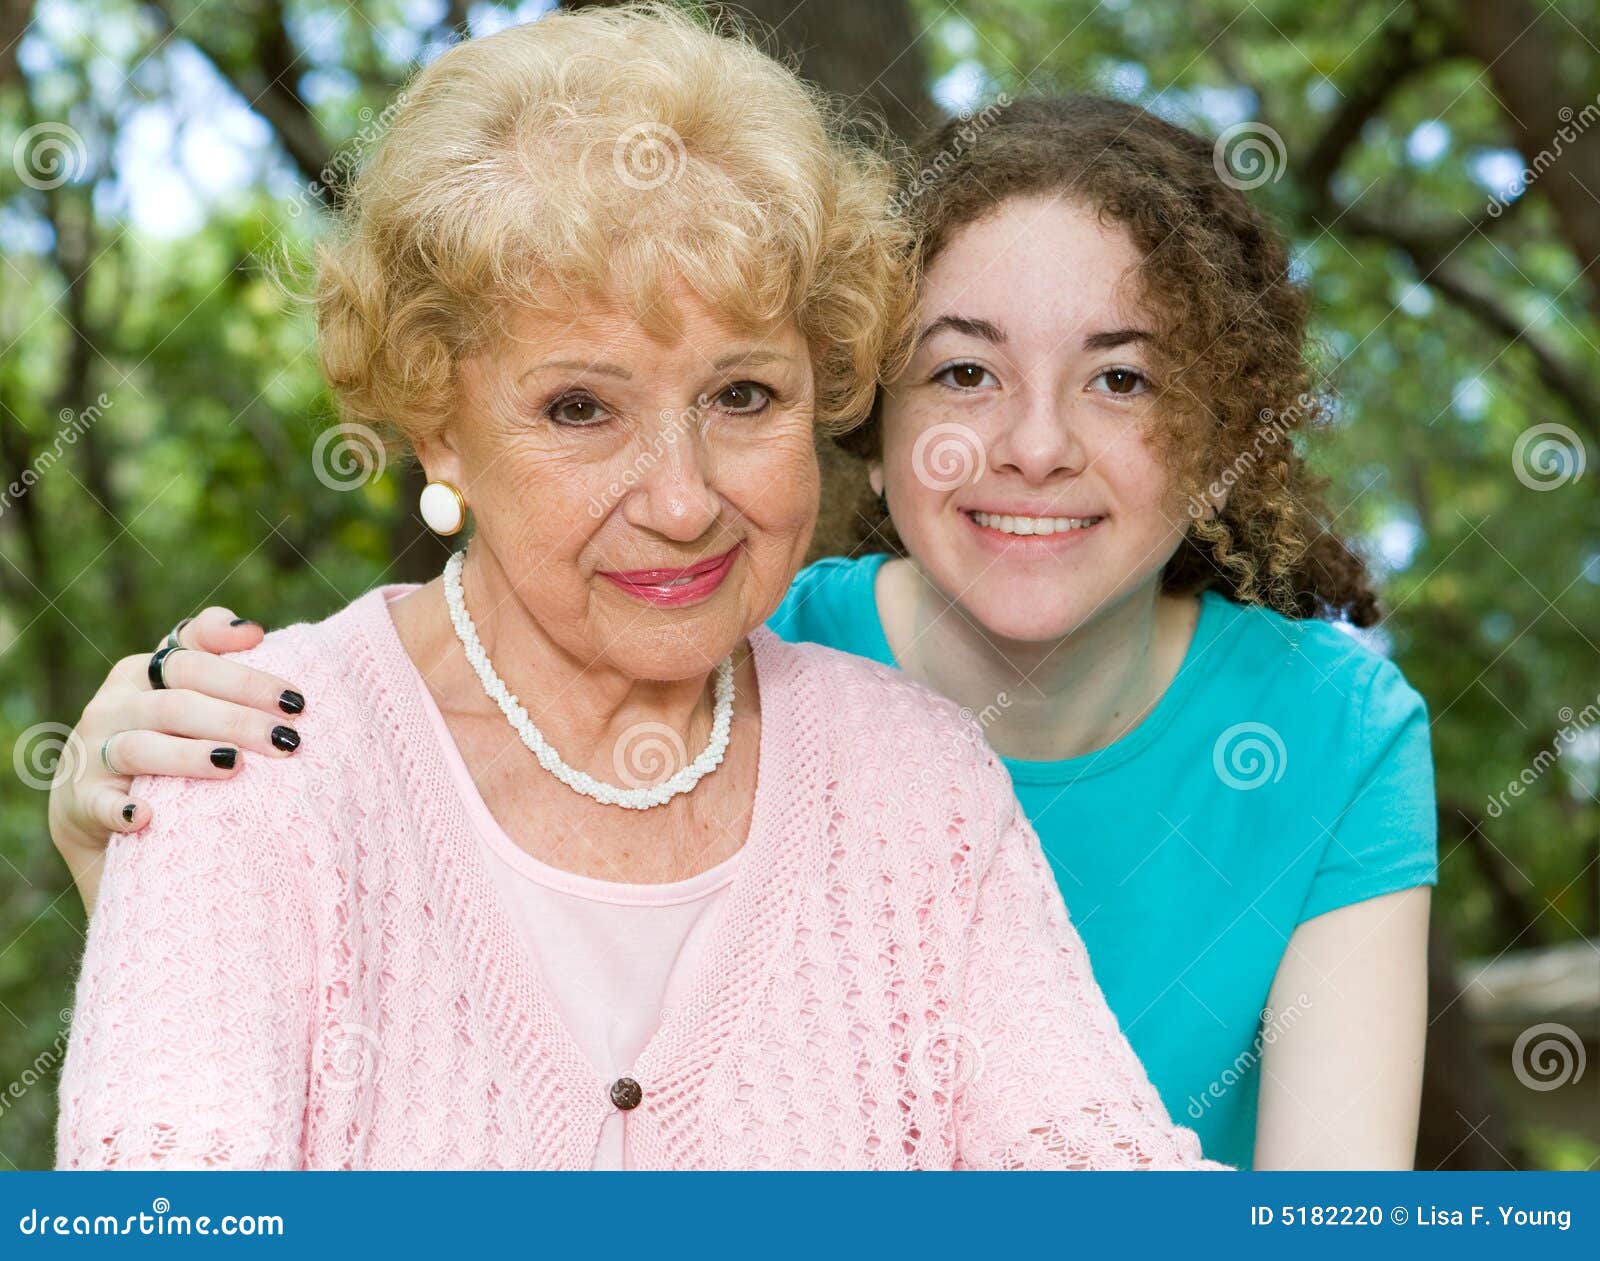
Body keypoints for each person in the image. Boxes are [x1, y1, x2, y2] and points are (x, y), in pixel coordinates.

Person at [50, 5, 1223, 1172]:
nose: (680, 500)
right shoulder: (248, 754)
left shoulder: (918, 785)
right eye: (579, 408)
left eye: (743, 397)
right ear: (436, 428)